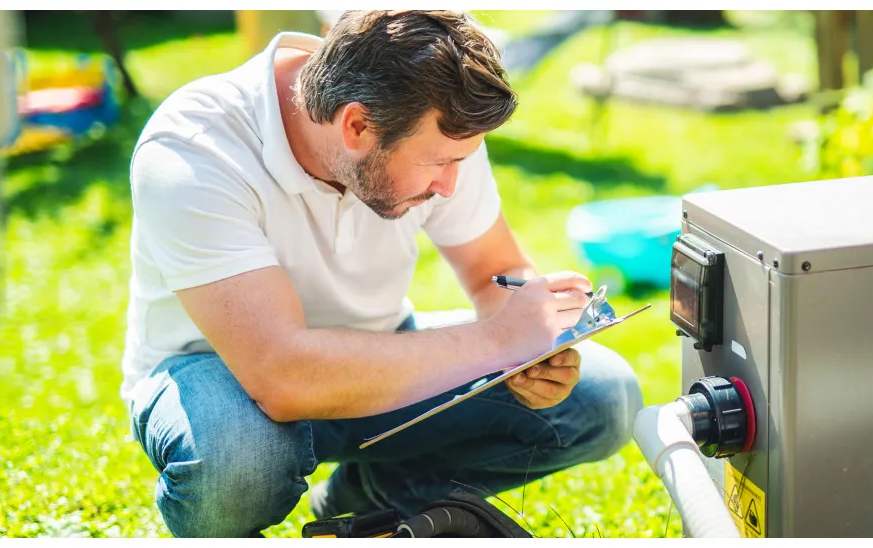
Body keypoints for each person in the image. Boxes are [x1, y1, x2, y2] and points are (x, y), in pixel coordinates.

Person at [120, 10, 642, 537]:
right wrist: (498, 340)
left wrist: (533, 354)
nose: (449, 186)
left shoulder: (436, 118)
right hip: (221, 379)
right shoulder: (194, 149)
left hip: (381, 359)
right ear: (356, 126)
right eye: (439, 163)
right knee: (238, 462)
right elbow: (280, 375)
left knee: (604, 395)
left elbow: (495, 274)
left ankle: (364, 505)